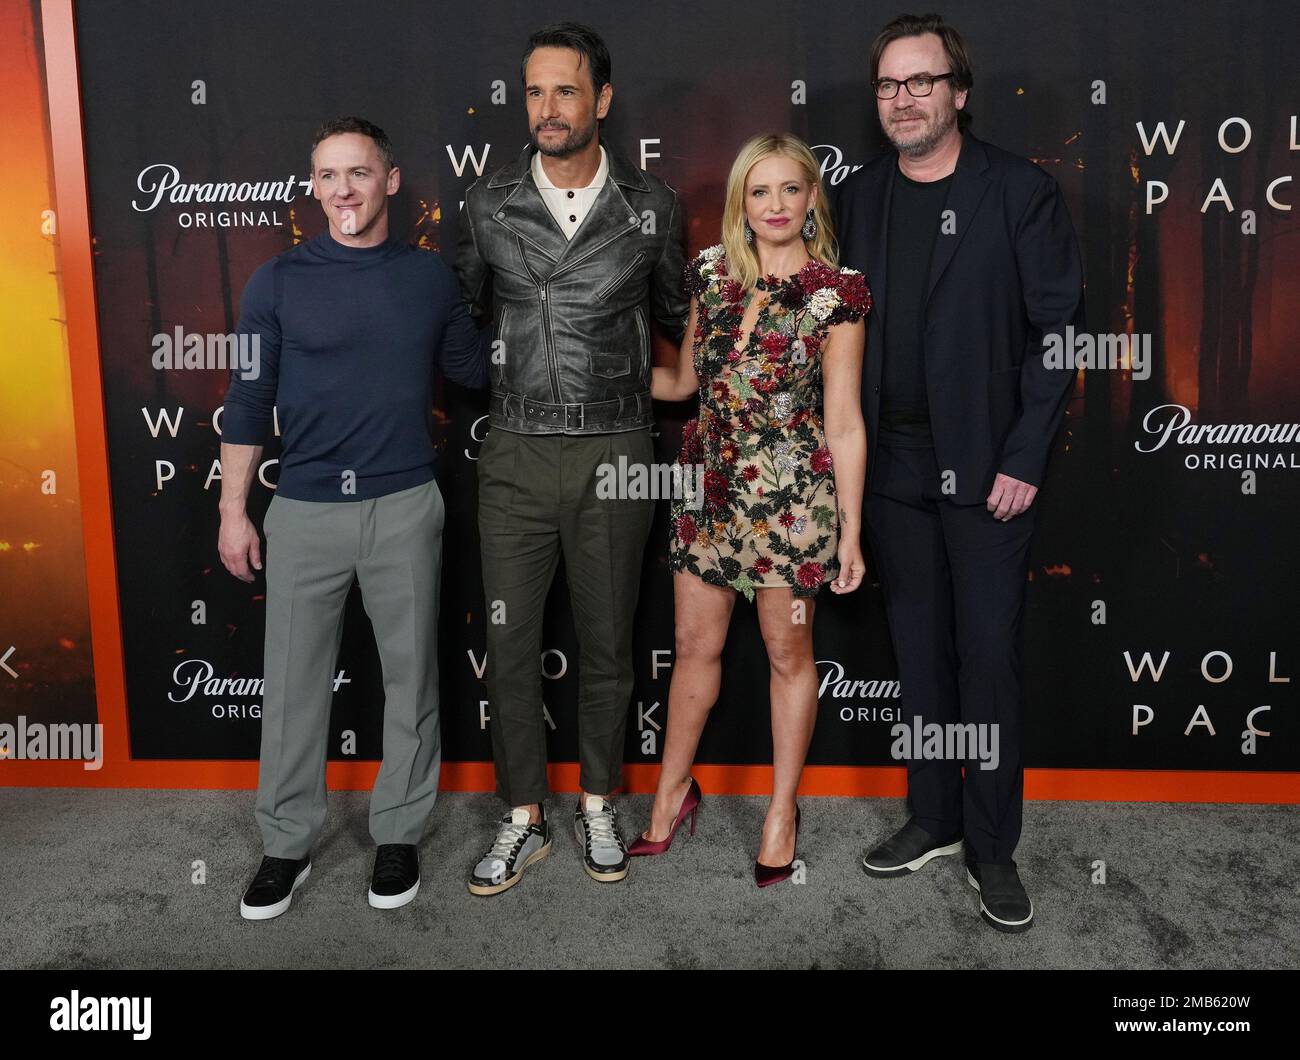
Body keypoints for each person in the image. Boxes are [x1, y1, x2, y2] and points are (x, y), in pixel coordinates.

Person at [833, 14, 1084, 931]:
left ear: (959, 92)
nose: (904, 99)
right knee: (919, 659)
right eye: (890, 86)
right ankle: (933, 817)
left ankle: (990, 847)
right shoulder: (858, 196)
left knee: (987, 664)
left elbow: (1059, 333)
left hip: (987, 473)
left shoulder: (1018, 191)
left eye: (922, 82)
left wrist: (1023, 458)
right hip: (892, 468)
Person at [219, 117, 486, 919]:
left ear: (391, 181)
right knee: (295, 686)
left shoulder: (430, 278)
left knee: (412, 679)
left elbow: (473, 371)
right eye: (329, 176)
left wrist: (498, 292)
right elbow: (246, 403)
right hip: (301, 509)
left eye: (359, 174)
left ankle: (398, 832)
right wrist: (236, 509)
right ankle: (285, 846)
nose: (344, 190)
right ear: (312, 187)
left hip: (405, 504)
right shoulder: (274, 282)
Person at [454, 22, 689, 894]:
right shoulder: (487, 204)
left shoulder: (652, 206)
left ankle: (596, 801)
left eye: (564, 91)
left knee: (607, 642)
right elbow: (462, 318)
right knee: (510, 646)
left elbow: (678, 318)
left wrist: (648, 389)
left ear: (602, 100)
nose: (546, 109)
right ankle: (523, 818)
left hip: (618, 449)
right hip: (515, 451)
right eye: (534, 92)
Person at [627, 134, 870, 887]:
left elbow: (844, 420)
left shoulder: (839, 292)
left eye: (790, 190)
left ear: (811, 199)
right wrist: (602, 367)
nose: (775, 205)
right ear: (742, 202)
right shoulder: (711, 274)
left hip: (793, 498)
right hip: (707, 488)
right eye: (759, 192)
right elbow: (686, 384)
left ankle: (781, 811)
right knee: (692, 646)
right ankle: (672, 791)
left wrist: (851, 530)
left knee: (786, 653)